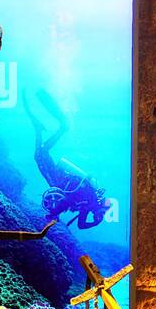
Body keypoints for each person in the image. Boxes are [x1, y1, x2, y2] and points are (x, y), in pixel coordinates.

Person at [24, 88, 110, 229]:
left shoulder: (88, 204)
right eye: (100, 213)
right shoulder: (89, 201)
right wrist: (54, 213)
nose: (98, 215)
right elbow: (69, 203)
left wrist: (95, 221)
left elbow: (79, 222)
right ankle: (57, 128)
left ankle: (44, 129)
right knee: (39, 155)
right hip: (57, 179)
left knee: (41, 153)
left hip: (59, 179)